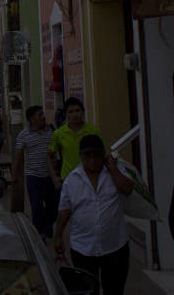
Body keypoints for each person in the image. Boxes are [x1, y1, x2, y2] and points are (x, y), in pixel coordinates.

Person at [54, 134, 134, 295]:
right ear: (80, 156)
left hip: (115, 248)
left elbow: (127, 189)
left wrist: (112, 168)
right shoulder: (71, 181)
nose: (92, 161)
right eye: (87, 156)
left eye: (96, 156)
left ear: (103, 155)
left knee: (115, 291)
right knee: (88, 292)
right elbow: (64, 212)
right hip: (83, 249)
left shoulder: (115, 172)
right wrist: (58, 236)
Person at [11, 105, 56, 239]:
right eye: (39, 115)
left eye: (42, 114)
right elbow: (18, 156)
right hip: (33, 176)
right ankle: (39, 234)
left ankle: (47, 226)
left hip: (50, 176)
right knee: (36, 207)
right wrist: (14, 176)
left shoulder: (51, 131)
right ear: (32, 119)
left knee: (53, 206)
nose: (43, 117)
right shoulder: (23, 135)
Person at [47, 97, 101, 189]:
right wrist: (54, 177)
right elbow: (48, 155)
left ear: (83, 112)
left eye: (77, 110)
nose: (75, 114)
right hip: (68, 180)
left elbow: (101, 154)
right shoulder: (59, 133)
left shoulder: (93, 131)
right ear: (65, 114)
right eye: (70, 112)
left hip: (90, 179)